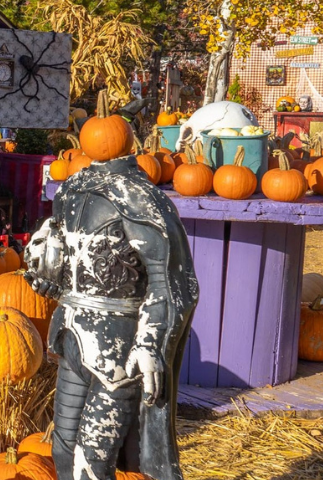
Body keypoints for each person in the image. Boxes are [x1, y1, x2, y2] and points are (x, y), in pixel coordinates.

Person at [25, 154, 198, 480]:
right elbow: (64, 268)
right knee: (63, 449)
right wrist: (47, 269)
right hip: (71, 336)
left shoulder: (138, 197)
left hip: (119, 349)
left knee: (92, 461)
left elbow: (167, 279)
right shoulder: (71, 190)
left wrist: (150, 342)